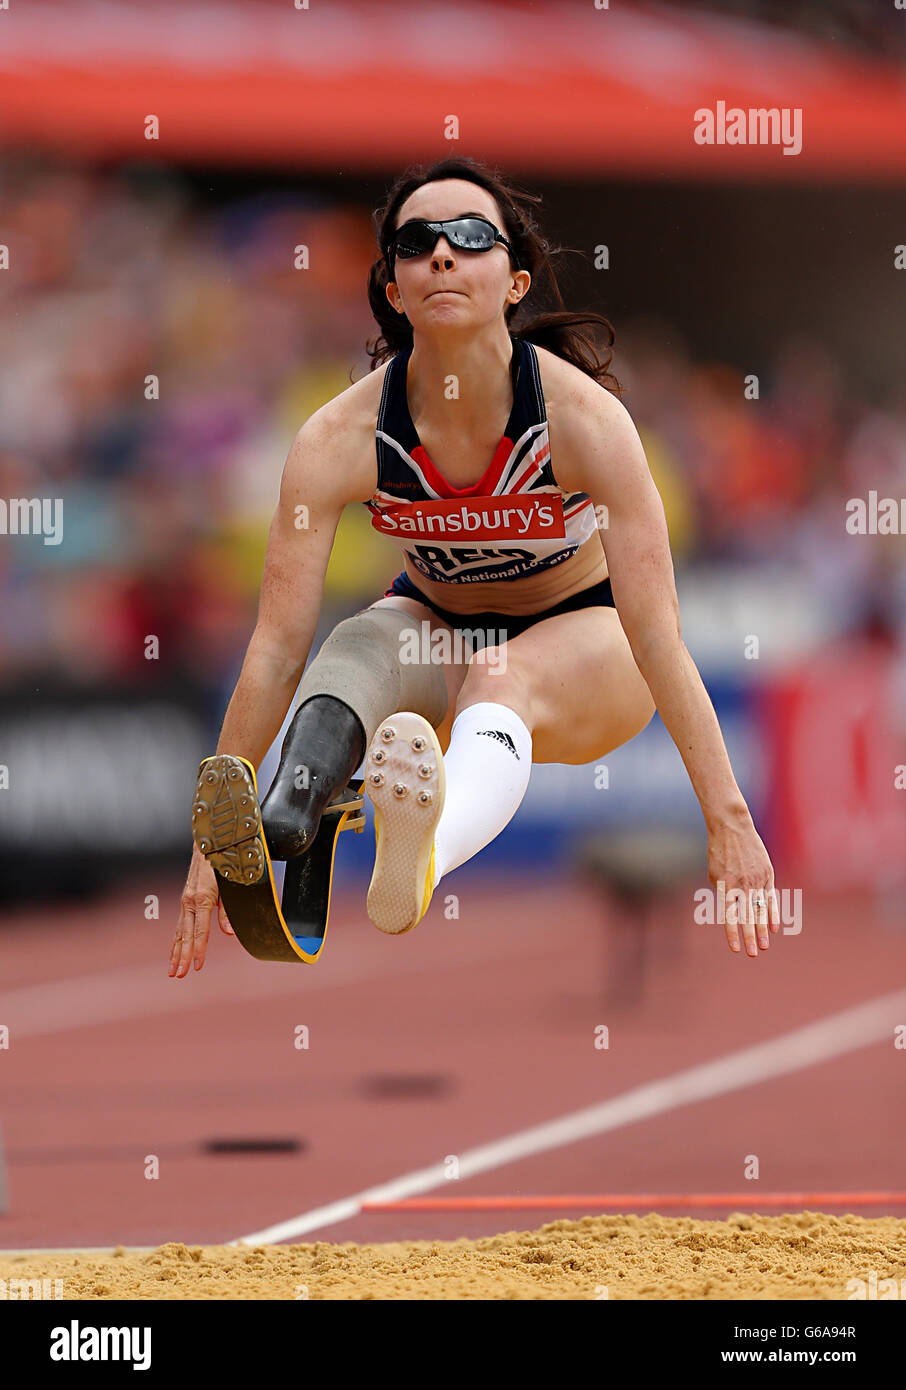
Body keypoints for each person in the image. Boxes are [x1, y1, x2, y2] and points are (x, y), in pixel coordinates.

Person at [170, 156, 776, 977]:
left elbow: (660, 638)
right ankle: (294, 809)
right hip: (438, 629)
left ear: (516, 281)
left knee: (502, 673)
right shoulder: (336, 439)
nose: (443, 256)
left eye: (470, 237)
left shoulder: (587, 423)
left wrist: (728, 817)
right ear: (393, 287)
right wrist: (218, 842)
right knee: (351, 646)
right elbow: (277, 647)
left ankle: (422, 855)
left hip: (595, 650)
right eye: (418, 243)